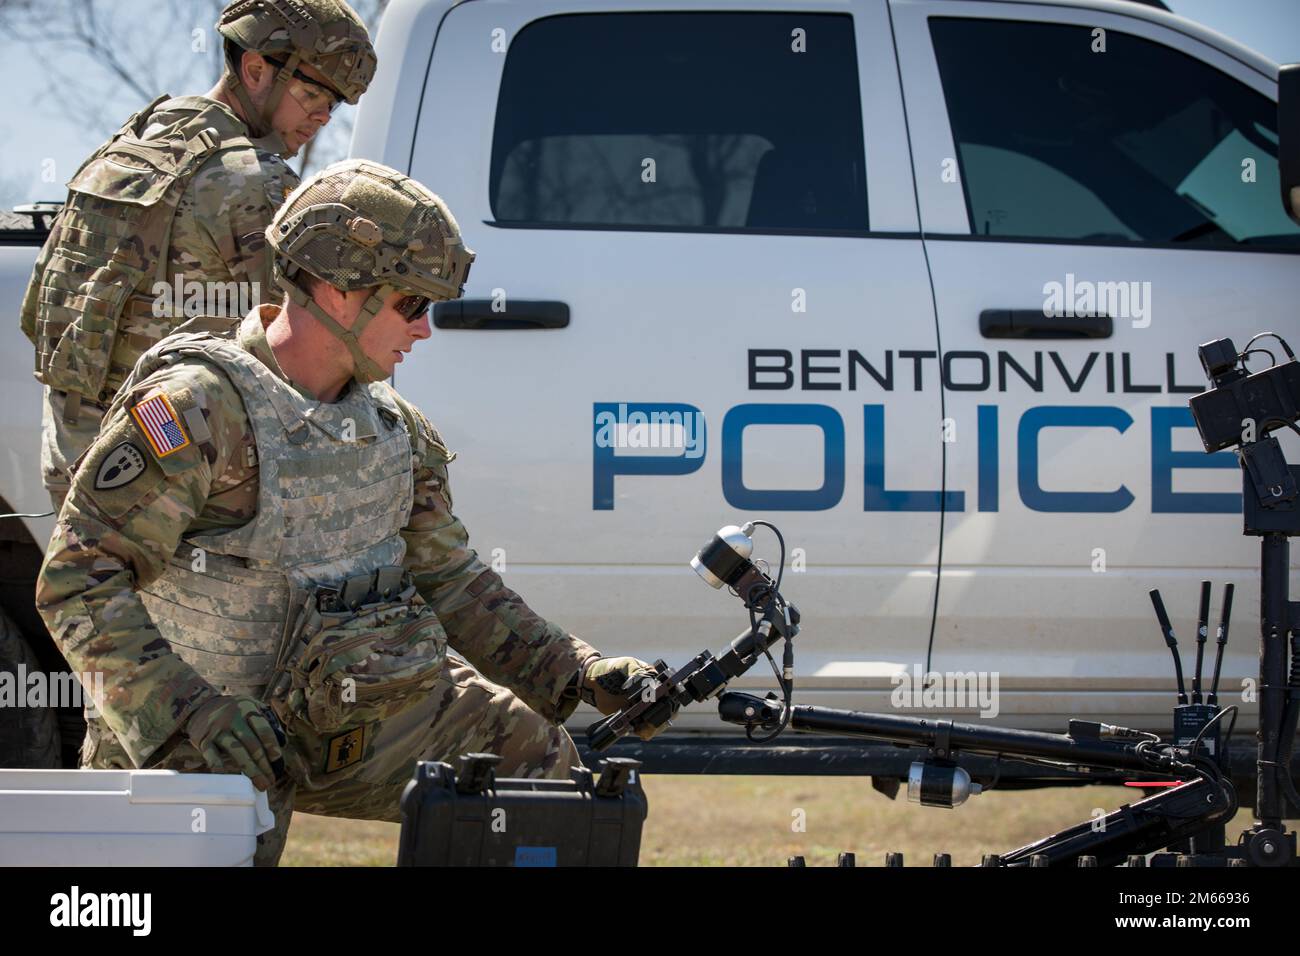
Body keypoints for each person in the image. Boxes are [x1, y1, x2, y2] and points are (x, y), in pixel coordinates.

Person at [35, 159, 664, 866]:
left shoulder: (395, 429)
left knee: (530, 756)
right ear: (339, 289)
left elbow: (451, 581)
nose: (425, 332)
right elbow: (76, 580)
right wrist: (188, 712)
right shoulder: (200, 410)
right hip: (207, 734)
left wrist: (575, 670)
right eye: (412, 306)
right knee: (230, 830)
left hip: (350, 719)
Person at [20, 0, 376, 511]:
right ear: (255, 69)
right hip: (173, 481)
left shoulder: (126, 147)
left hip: (80, 463)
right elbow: (322, 341)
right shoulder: (253, 179)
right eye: (313, 92)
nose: (323, 115)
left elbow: (42, 315)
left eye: (335, 104)